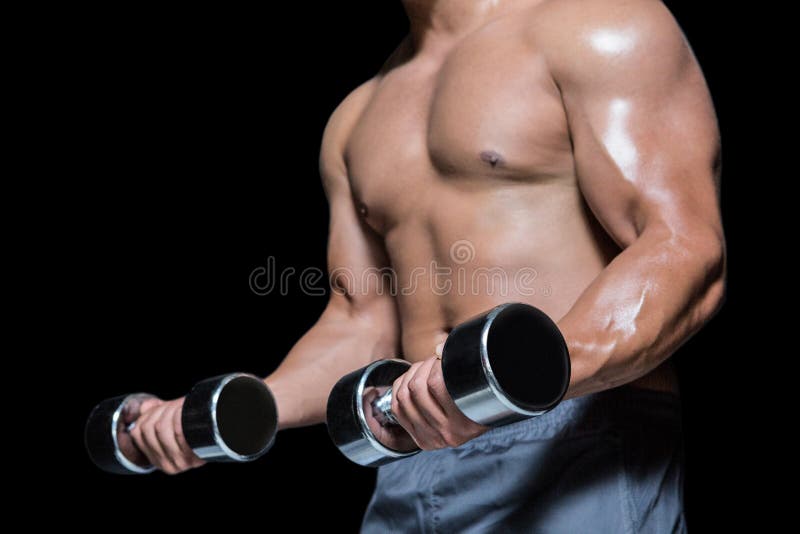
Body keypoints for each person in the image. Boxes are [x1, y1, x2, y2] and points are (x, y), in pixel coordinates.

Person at [128, 0, 724, 531]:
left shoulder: (599, 22)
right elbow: (359, 319)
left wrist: (513, 378)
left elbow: (682, 247)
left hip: (574, 439)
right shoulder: (357, 115)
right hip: (410, 456)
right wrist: (232, 410)